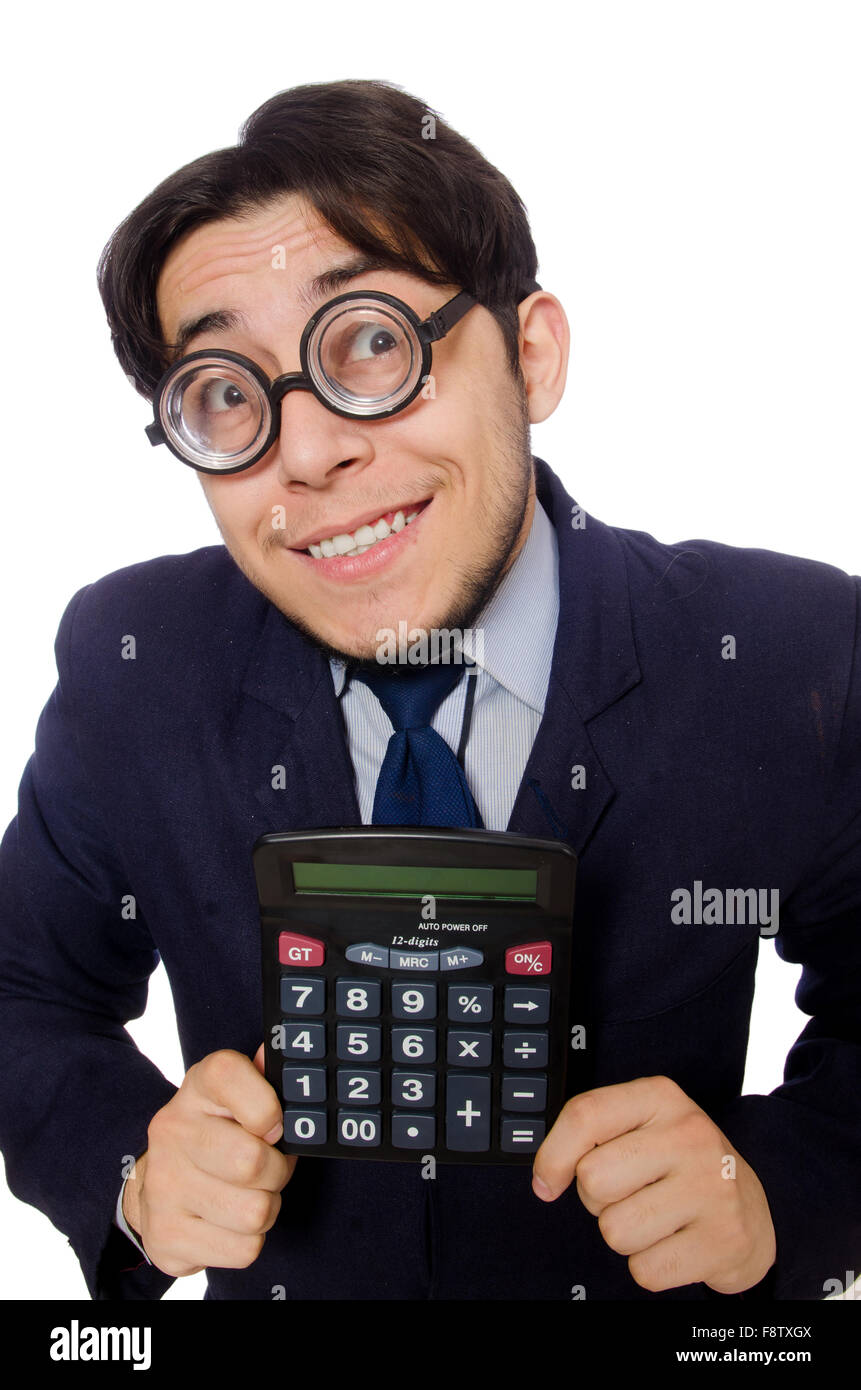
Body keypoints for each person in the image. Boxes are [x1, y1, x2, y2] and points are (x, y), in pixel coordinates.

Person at [0, 78, 858, 1303]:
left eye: (368, 342)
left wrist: (780, 1192)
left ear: (531, 351)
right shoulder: (134, 663)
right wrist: (134, 1170)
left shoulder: (789, 654)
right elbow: (25, 988)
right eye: (227, 394)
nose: (307, 453)